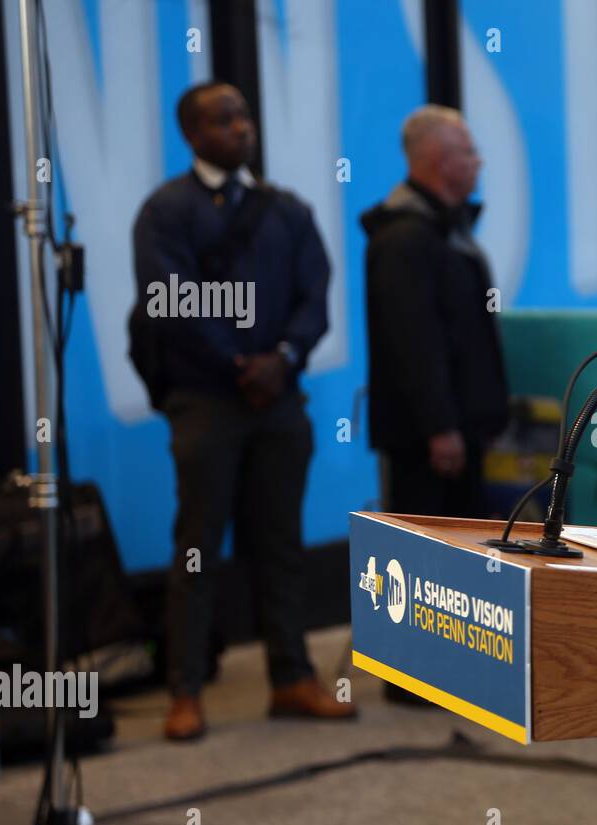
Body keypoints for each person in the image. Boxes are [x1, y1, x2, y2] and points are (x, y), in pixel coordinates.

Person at [129, 81, 355, 741]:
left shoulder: (285, 209)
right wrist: (236, 363)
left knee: (281, 543)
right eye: (223, 119)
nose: (240, 128)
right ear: (192, 133)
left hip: (280, 399)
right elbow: (168, 298)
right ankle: (185, 690)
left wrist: (282, 356)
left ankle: (292, 678)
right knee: (197, 547)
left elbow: (316, 292)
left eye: (243, 117)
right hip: (207, 400)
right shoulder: (166, 212)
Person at [360, 105, 509, 520]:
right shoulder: (405, 239)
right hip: (427, 443)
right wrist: (440, 428)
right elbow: (413, 342)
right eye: (469, 151)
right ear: (443, 162)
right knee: (424, 559)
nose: (478, 161)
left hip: (460, 431)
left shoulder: (447, 232)